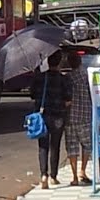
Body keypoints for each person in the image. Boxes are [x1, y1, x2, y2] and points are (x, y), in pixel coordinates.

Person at [29, 50, 72, 189]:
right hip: (58, 116)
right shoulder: (63, 79)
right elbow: (68, 99)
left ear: (47, 62)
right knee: (55, 146)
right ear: (59, 62)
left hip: (42, 116)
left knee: (43, 146)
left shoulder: (39, 78)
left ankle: (43, 175)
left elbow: (32, 94)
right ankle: (53, 176)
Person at [65, 52, 92, 186]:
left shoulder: (67, 78)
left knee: (72, 147)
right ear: (80, 62)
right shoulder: (87, 76)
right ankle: (83, 171)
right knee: (87, 145)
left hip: (70, 117)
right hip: (85, 116)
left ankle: (74, 176)